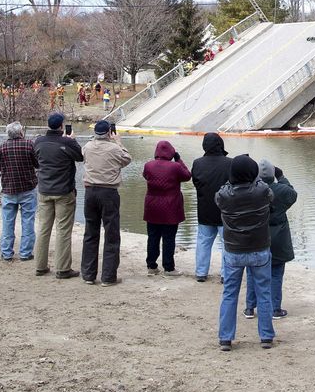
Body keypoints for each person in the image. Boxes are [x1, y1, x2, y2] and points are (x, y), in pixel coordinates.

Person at [215, 154, 275, 351]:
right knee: (264, 292)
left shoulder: (224, 196)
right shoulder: (262, 192)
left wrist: (231, 177)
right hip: (259, 249)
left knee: (229, 294)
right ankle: (266, 336)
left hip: (234, 251)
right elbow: (267, 192)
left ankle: (226, 338)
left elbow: (221, 191)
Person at [80, 119, 132, 285]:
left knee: (90, 233)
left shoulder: (87, 147)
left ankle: (88, 274)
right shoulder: (115, 148)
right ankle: (108, 276)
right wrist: (119, 142)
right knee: (111, 234)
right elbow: (127, 159)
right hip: (108, 192)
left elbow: (83, 155)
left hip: (90, 192)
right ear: (109, 133)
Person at [34, 112, 84, 279]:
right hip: (64, 191)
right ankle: (62, 268)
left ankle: (40, 266)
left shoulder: (39, 141)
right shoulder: (67, 142)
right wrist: (73, 139)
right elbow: (80, 157)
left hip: (44, 190)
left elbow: (36, 160)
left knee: (43, 228)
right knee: (63, 230)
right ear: (62, 126)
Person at [245, 160, 297, 320]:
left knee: (252, 273)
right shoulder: (281, 190)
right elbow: (292, 193)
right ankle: (275, 309)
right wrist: (281, 176)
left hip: (256, 237)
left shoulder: (251, 191)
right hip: (279, 239)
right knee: (276, 274)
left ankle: (249, 307)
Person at [142, 139, 191, 277]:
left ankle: (151, 266)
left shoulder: (148, 165)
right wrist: (179, 159)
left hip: (152, 207)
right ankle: (168, 268)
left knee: (152, 237)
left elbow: (145, 176)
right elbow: (187, 176)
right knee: (169, 238)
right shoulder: (175, 167)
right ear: (171, 152)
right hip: (170, 208)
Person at [0, 121, 39, 262]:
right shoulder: (29, 145)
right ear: (21, 132)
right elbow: (37, 163)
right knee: (28, 222)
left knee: (7, 222)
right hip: (27, 188)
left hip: (9, 189)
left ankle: (6, 252)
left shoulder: (2, 147)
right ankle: (25, 253)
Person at [191, 132, 232, 282]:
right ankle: (225, 274)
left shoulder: (197, 163)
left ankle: (201, 272)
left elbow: (195, 182)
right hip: (225, 210)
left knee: (203, 242)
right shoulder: (230, 163)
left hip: (205, 209)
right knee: (227, 244)